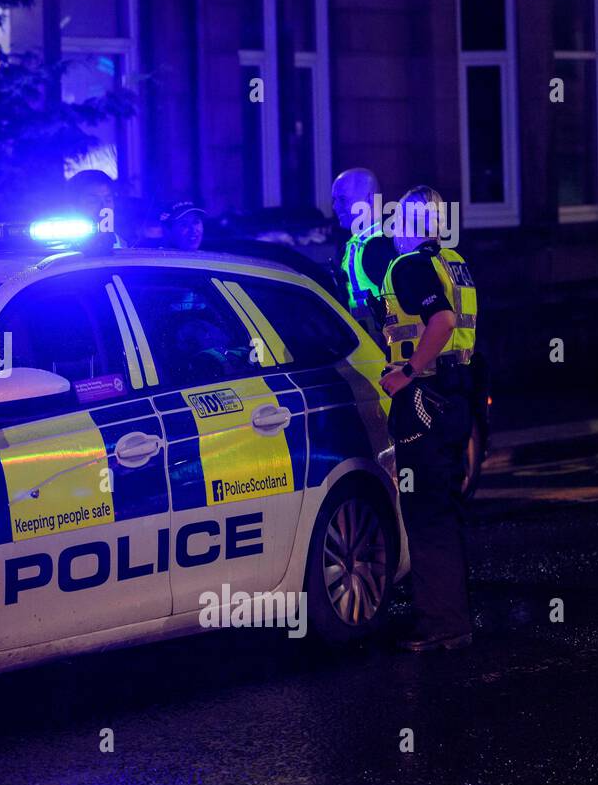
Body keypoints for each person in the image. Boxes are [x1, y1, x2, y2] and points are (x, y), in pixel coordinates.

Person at [377, 185, 478, 652]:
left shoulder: (410, 266)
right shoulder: (454, 264)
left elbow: (441, 324)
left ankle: (440, 624)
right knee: (448, 511)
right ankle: (453, 618)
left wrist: (407, 373)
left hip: (425, 396)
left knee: (425, 513)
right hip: (457, 399)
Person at [152, 202, 339, 297]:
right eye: (184, 224)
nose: (193, 230)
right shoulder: (158, 267)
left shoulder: (209, 260)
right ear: (167, 230)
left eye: (196, 222)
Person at [332, 168, 398, 328]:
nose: (335, 207)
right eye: (333, 200)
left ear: (369, 199)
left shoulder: (378, 247)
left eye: (342, 199)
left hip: (384, 345)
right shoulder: (356, 244)